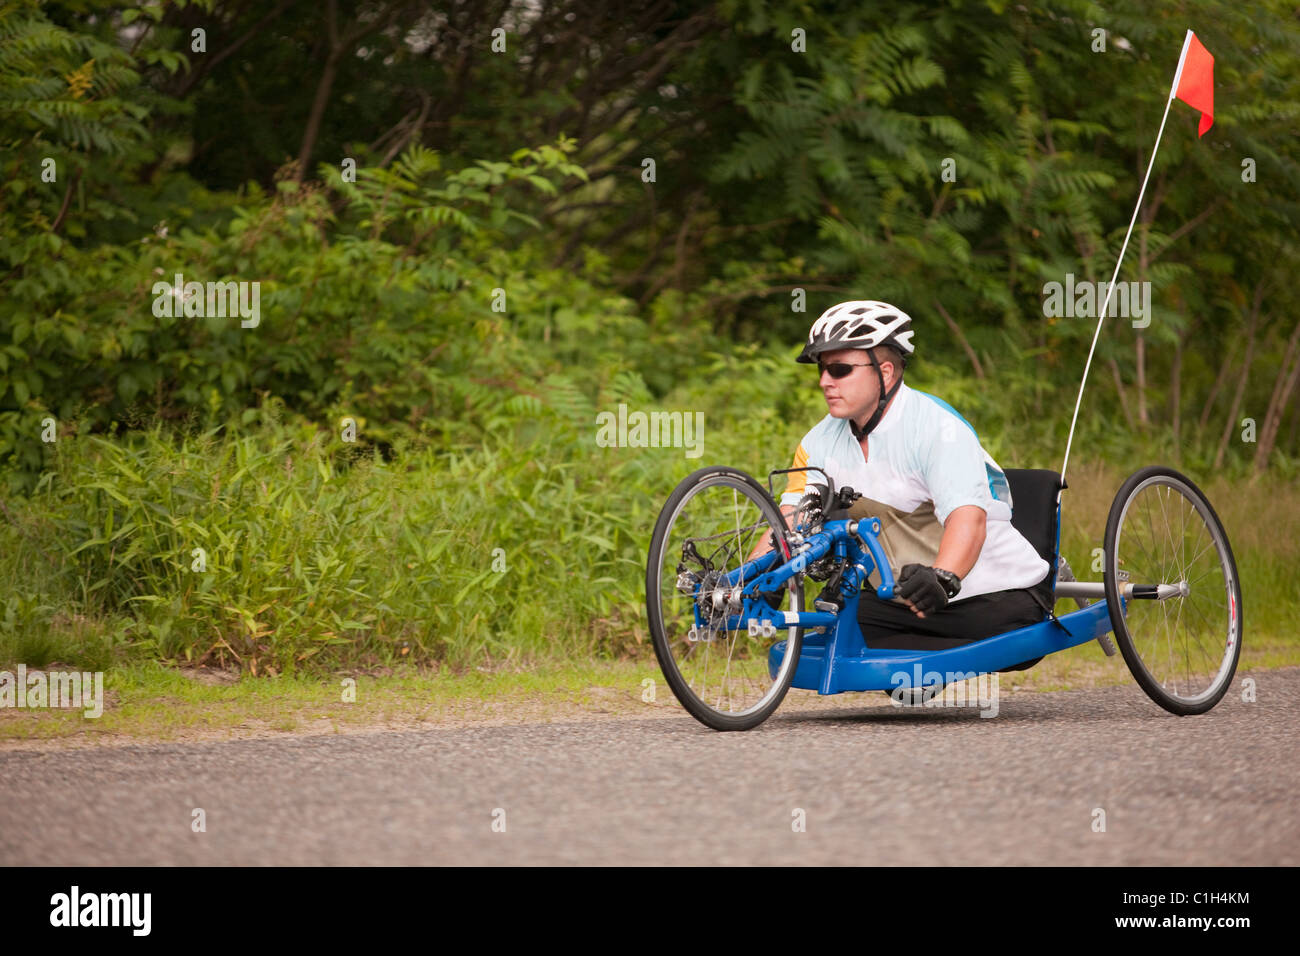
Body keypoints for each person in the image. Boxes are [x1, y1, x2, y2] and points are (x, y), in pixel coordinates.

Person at [777, 300, 1050, 650]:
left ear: (886, 372)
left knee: (885, 655)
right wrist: (752, 581)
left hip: (992, 594)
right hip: (905, 601)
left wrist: (945, 577)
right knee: (827, 633)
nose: (825, 381)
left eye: (840, 369)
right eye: (822, 370)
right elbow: (790, 521)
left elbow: (968, 518)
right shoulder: (818, 442)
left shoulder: (937, 428)